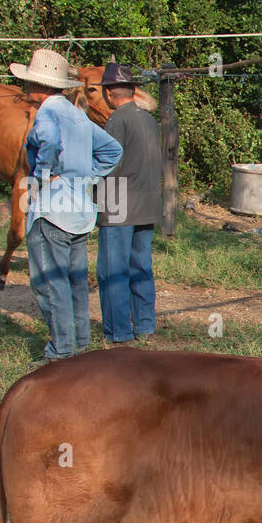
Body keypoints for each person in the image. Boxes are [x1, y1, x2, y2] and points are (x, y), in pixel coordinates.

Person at [14, 48, 122, 363]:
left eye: (28, 82)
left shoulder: (47, 112)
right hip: (79, 212)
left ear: (38, 85)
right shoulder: (77, 113)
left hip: (52, 210)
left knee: (49, 281)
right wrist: (86, 175)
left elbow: (46, 140)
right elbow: (112, 150)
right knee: (75, 281)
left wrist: (44, 175)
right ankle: (79, 347)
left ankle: (60, 352)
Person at [96, 63, 160, 346]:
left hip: (118, 202)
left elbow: (110, 163)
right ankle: (145, 324)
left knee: (113, 270)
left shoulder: (117, 120)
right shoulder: (147, 118)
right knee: (141, 265)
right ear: (133, 89)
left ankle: (119, 332)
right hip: (146, 200)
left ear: (109, 93)